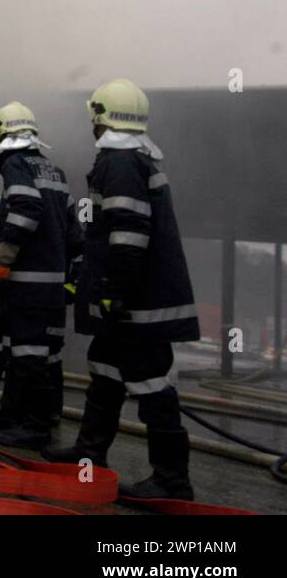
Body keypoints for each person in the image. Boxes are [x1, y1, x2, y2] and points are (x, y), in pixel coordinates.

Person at [44, 79, 199, 499]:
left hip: (136, 302)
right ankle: (90, 456)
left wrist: (114, 288)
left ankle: (171, 480)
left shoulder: (122, 161)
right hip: (129, 298)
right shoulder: (135, 157)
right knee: (106, 369)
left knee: (150, 381)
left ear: (101, 117)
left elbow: (128, 232)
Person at [0, 102, 73, 448]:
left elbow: (26, 210)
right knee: (21, 352)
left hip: (27, 282)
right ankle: (12, 415)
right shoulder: (54, 171)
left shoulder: (16, 165)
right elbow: (73, 233)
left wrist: (2, 261)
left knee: (28, 356)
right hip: (49, 283)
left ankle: (36, 426)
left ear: (2, 132)